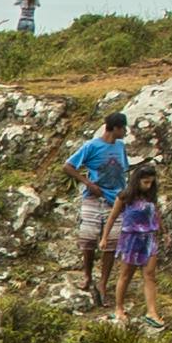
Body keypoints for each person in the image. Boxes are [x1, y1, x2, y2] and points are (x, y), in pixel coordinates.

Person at [65, 105, 129, 302]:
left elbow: (124, 170)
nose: (125, 132)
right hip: (94, 197)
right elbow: (68, 166)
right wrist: (88, 183)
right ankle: (87, 275)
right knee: (89, 238)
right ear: (115, 128)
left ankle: (103, 282)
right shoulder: (91, 146)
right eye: (123, 128)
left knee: (111, 242)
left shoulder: (120, 147)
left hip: (115, 198)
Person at [111, 158, 165, 323]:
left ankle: (151, 311)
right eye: (145, 182)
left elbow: (156, 215)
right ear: (138, 181)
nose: (148, 185)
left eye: (151, 182)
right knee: (126, 274)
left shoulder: (150, 198)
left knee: (149, 274)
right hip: (131, 238)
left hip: (149, 238)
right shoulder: (125, 197)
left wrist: (164, 232)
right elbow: (112, 218)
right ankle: (119, 307)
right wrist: (105, 237)